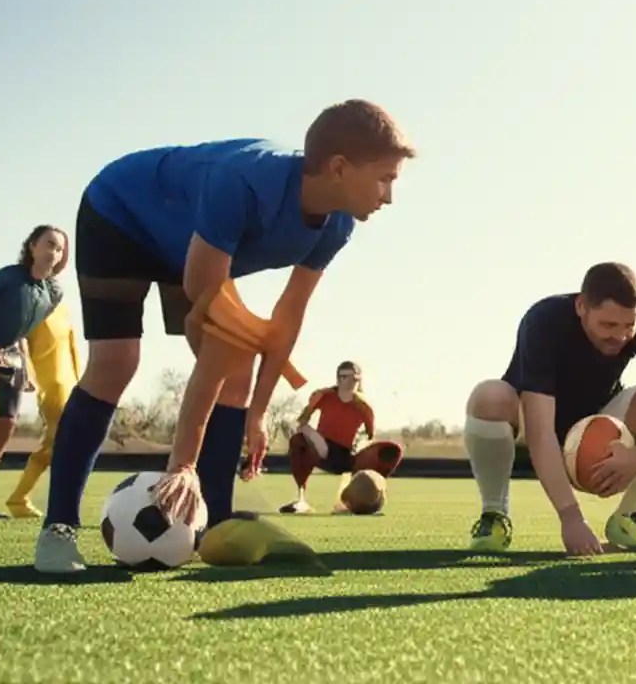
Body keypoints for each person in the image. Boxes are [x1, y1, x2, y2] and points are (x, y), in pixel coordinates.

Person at [34, 99, 414, 574]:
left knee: (237, 370)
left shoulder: (336, 224)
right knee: (117, 363)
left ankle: (213, 521)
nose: (389, 196)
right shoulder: (245, 182)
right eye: (385, 179)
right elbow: (204, 292)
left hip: (192, 245)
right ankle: (58, 528)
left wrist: (257, 414)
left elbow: (287, 319)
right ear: (339, 168)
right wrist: (183, 462)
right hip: (120, 214)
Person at [463, 262, 636, 556]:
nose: (620, 336)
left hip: (596, 428)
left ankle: (628, 517)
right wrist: (571, 517)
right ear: (581, 306)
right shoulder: (544, 320)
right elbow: (540, 430)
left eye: (628, 326)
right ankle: (494, 516)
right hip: (527, 431)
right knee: (489, 395)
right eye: (608, 325)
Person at [0, 226, 68, 518]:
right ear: (32, 247)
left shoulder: (53, 293)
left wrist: (25, 369)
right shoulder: (8, 276)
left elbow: (23, 333)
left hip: (11, 360)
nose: (55, 252)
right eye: (49, 244)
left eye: (60, 248)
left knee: (5, 427)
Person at [279, 360, 403, 514]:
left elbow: (370, 435)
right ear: (338, 378)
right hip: (320, 450)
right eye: (344, 377)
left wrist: (359, 442)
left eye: (354, 378)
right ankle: (301, 499)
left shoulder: (364, 407)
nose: (349, 382)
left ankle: (360, 500)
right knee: (298, 440)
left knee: (391, 450)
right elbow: (302, 419)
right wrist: (305, 427)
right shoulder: (324, 396)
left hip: (346, 455)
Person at [5, 303, 82, 518]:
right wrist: (27, 372)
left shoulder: (62, 307)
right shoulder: (31, 303)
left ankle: (20, 498)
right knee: (58, 440)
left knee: (55, 443)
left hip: (70, 385)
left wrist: (81, 383)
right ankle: (21, 498)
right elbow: (20, 341)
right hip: (50, 385)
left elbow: (72, 347)